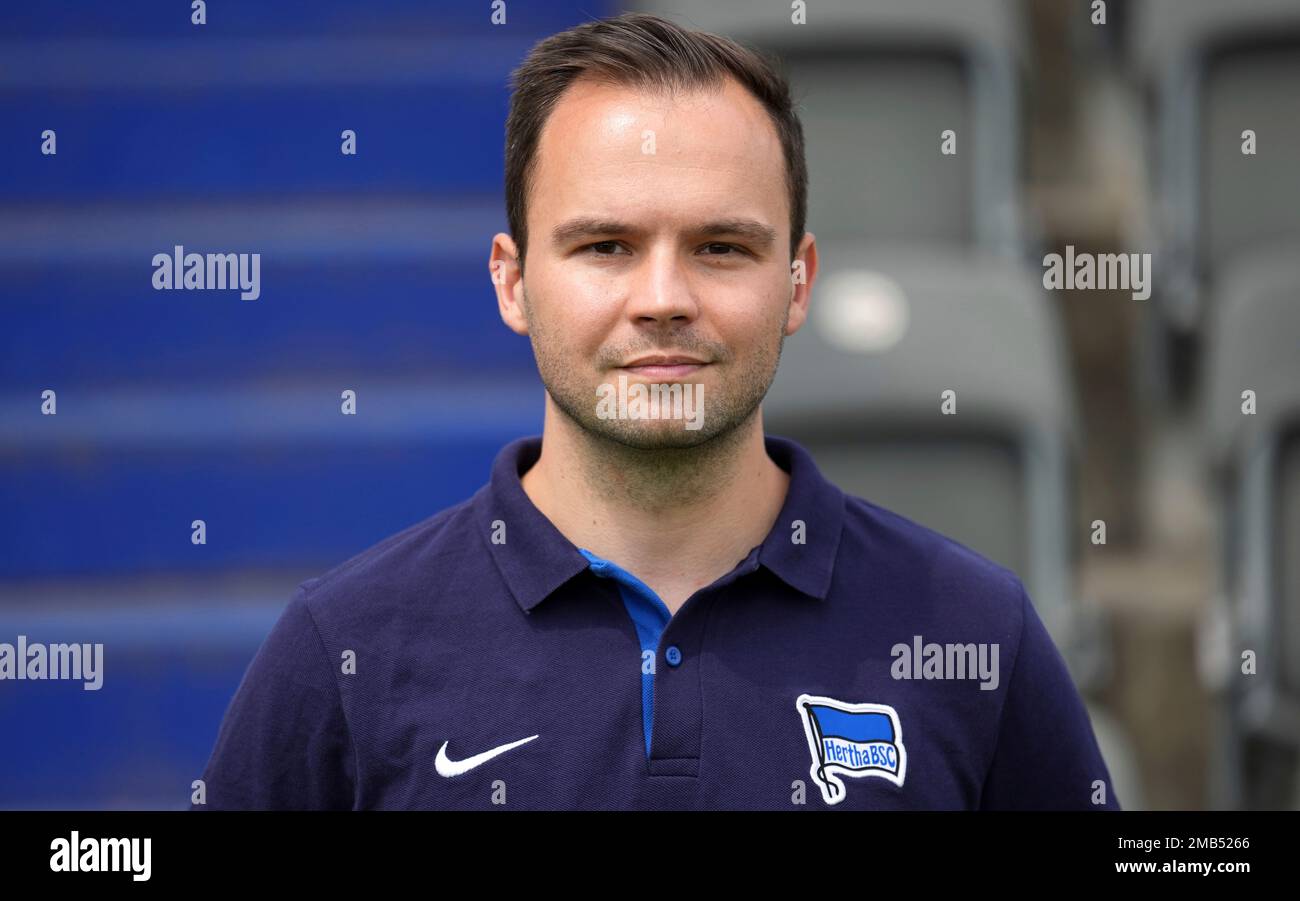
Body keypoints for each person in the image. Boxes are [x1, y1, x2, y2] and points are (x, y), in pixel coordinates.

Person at [192, 12, 1119, 810]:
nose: (663, 296)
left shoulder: (970, 631)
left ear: (798, 283)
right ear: (512, 283)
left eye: (720, 246)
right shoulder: (347, 648)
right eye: (605, 245)